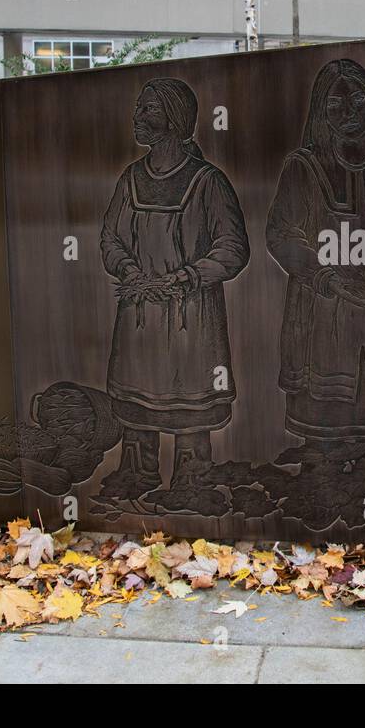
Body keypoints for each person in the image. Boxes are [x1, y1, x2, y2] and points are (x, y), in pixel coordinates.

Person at [267, 58, 365, 445]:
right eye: (335, 105)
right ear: (322, 111)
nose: (349, 113)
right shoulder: (302, 167)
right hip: (323, 315)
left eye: (357, 101)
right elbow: (281, 235)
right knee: (325, 441)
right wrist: (328, 277)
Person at [100, 78, 249, 490]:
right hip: (139, 313)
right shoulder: (131, 179)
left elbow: (233, 247)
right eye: (138, 108)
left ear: (175, 117)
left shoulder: (207, 182)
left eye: (148, 109)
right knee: (138, 390)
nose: (138, 117)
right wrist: (129, 271)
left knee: (189, 392)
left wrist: (187, 277)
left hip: (191, 315)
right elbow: (110, 237)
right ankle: (137, 470)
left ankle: (193, 476)